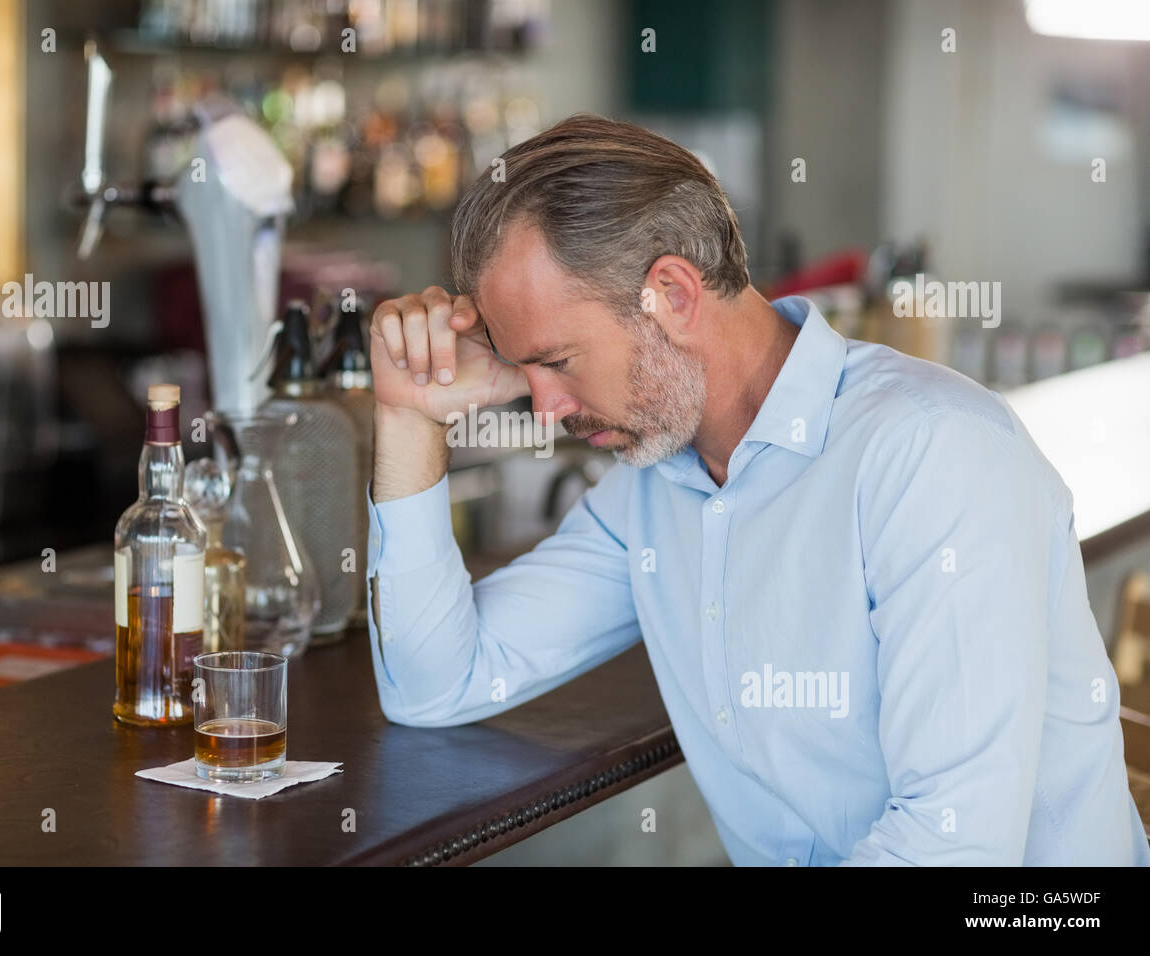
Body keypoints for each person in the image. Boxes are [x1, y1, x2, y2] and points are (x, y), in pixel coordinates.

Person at [363, 112, 1150, 866]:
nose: (542, 407)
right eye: (523, 367)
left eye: (558, 362)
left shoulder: (931, 455)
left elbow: (953, 850)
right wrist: (408, 414)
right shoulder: (654, 485)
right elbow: (435, 683)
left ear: (671, 294)